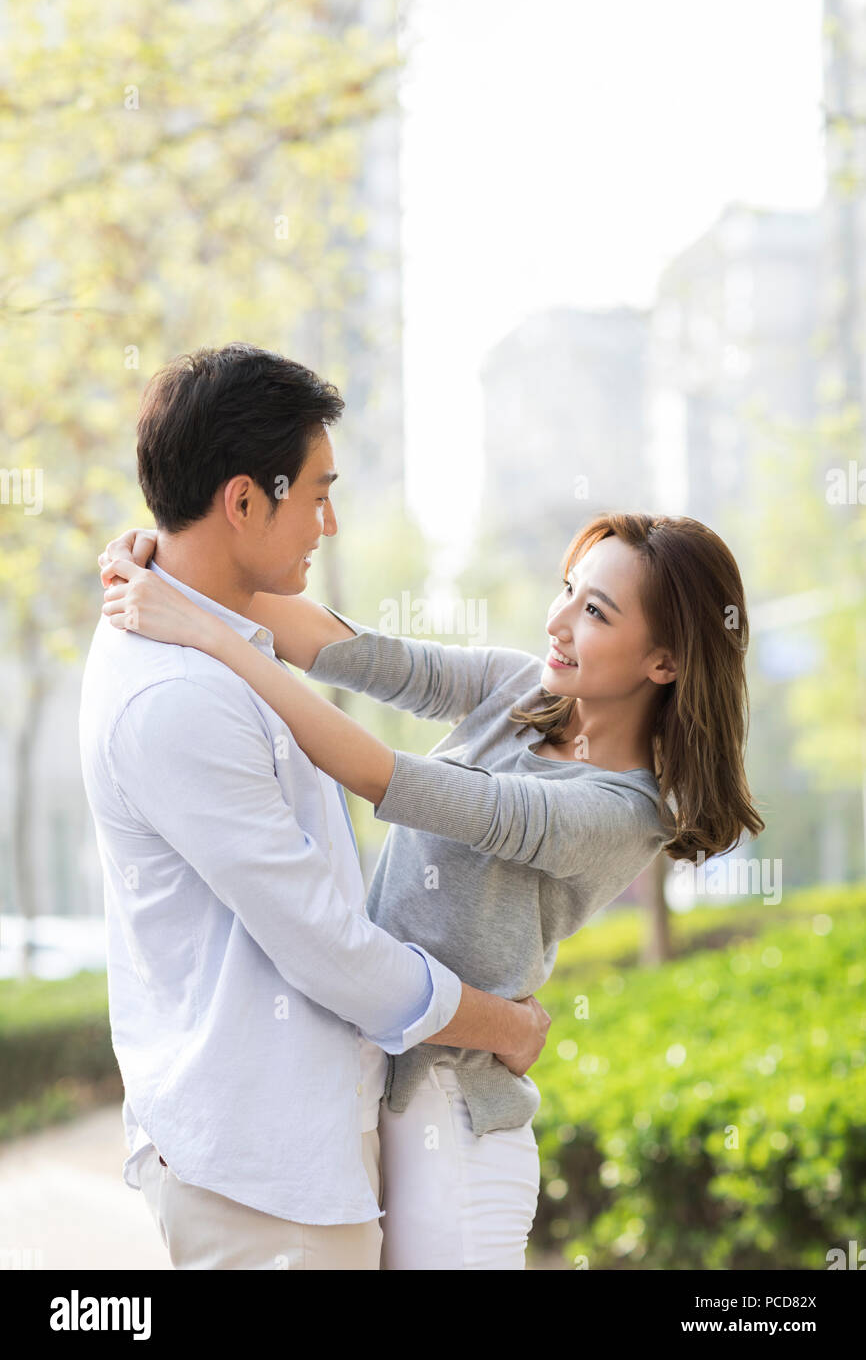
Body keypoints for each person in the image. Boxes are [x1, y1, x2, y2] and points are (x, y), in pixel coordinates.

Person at [100, 497, 765, 1267]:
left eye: (596, 612)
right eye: (566, 588)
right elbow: (347, 648)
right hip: (387, 1095)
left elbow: (384, 776)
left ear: (666, 661)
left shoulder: (621, 810)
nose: (557, 621)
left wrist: (206, 631)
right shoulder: (520, 693)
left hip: (456, 1128)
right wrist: (181, 570)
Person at [80, 343, 551, 1272]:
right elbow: (328, 948)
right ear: (244, 500)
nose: (329, 524)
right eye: (318, 494)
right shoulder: (177, 696)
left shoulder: (210, 636)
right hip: (263, 1179)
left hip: (297, 1154)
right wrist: (509, 1025)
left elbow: (387, 665)